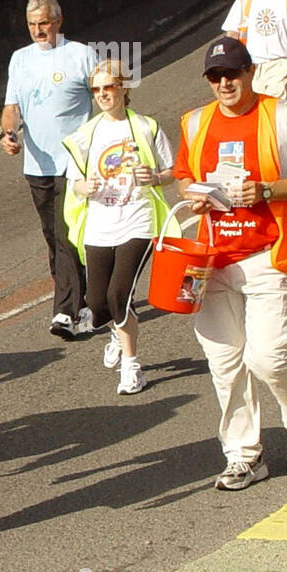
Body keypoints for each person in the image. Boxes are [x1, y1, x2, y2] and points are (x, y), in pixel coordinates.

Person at [173, 37, 287, 491]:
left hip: (267, 255)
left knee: (268, 357)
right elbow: (185, 175)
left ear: (250, 72)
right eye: (216, 77)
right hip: (211, 260)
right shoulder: (195, 122)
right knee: (225, 365)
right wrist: (195, 195)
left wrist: (265, 190)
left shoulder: (286, 116)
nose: (225, 83)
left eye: (233, 74)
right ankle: (244, 455)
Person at [62, 59, 174, 395]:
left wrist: (154, 178)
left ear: (124, 87)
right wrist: (88, 187)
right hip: (99, 222)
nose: (102, 95)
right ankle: (115, 330)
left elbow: (173, 170)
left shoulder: (146, 127)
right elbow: (74, 183)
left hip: (138, 219)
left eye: (108, 87)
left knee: (118, 295)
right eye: (96, 89)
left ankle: (132, 366)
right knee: (97, 304)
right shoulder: (86, 134)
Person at [1, 0, 97, 339]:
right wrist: (9, 132)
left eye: (44, 23)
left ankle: (65, 311)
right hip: (37, 163)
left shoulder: (81, 55)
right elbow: (11, 106)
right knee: (53, 237)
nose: (38, 30)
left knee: (65, 233)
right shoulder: (20, 59)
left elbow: (104, 97)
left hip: (74, 163)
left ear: (58, 21)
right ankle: (83, 301)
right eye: (32, 25)